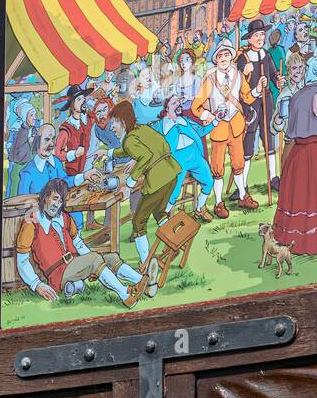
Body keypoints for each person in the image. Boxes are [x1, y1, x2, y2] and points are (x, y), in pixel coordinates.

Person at [15, 178, 156, 307]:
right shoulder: (32, 223)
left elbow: (78, 243)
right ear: (45, 198)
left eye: (60, 201)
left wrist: (94, 262)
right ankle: (125, 294)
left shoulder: (64, 218)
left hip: (75, 263)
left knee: (110, 257)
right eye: (54, 199)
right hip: (58, 273)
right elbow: (22, 260)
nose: (57, 205)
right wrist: (36, 284)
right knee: (94, 259)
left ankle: (143, 281)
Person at [191, 36, 259, 217]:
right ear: (216, 59)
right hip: (219, 128)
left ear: (231, 57)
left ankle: (243, 196)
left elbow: (247, 97)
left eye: (226, 55)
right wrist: (210, 116)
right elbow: (195, 107)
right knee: (218, 168)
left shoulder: (238, 75)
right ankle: (219, 202)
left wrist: (258, 89)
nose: (223, 58)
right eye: (220, 55)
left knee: (238, 163)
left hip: (236, 126)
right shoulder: (210, 80)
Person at [110, 99, 180, 269]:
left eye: (114, 123)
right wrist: (109, 152)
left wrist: (130, 184)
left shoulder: (129, 140)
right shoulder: (141, 130)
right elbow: (143, 148)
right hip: (171, 173)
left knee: (138, 223)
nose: (112, 128)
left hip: (158, 180)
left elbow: (144, 156)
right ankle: (175, 245)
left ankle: (146, 262)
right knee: (159, 212)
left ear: (122, 122)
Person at [272, 76, 317, 256]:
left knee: (315, 194)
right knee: (311, 193)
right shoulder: (298, 96)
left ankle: (316, 235)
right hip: (314, 156)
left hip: (301, 157)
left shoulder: (302, 97)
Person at [18, 122, 97, 226]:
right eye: (47, 139)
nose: (51, 144)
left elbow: (64, 181)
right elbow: (22, 202)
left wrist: (84, 176)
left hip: (61, 211)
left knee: (77, 216)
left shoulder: (56, 162)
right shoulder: (27, 172)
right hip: (41, 219)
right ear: (37, 142)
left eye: (53, 139)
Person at [235, 17, 279, 195]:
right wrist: (244, 73)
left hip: (266, 101)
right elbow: (237, 83)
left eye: (262, 34)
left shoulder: (266, 55)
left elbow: (274, 74)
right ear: (250, 38)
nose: (260, 38)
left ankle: (274, 178)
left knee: (269, 138)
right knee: (249, 142)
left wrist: (278, 80)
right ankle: (242, 185)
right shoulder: (243, 59)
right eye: (256, 35)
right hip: (251, 105)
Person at [158, 92, 215, 221]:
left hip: (194, 154)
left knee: (209, 180)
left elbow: (200, 131)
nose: (178, 104)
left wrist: (215, 122)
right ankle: (164, 213)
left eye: (178, 102)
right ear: (166, 108)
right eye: (174, 103)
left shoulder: (185, 120)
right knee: (174, 188)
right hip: (177, 158)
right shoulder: (162, 125)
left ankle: (200, 208)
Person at [55, 82, 93, 173]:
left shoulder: (87, 120)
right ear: (72, 104)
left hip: (88, 167)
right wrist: (74, 154)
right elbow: (57, 153)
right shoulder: (66, 129)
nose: (83, 101)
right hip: (73, 172)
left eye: (83, 98)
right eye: (79, 99)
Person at [7, 107, 40, 197]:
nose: (34, 118)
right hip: (19, 167)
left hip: (29, 168)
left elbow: (36, 150)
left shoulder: (34, 131)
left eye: (35, 115)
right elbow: (19, 154)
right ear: (25, 117)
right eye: (31, 115)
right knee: (16, 194)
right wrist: (30, 143)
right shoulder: (21, 132)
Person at [173, 44, 202, 114]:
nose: (183, 63)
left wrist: (188, 97)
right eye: (181, 60)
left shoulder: (196, 79)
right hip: (177, 112)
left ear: (192, 61)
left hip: (191, 112)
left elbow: (199, 98)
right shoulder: (177, 80)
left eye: (187, 60)